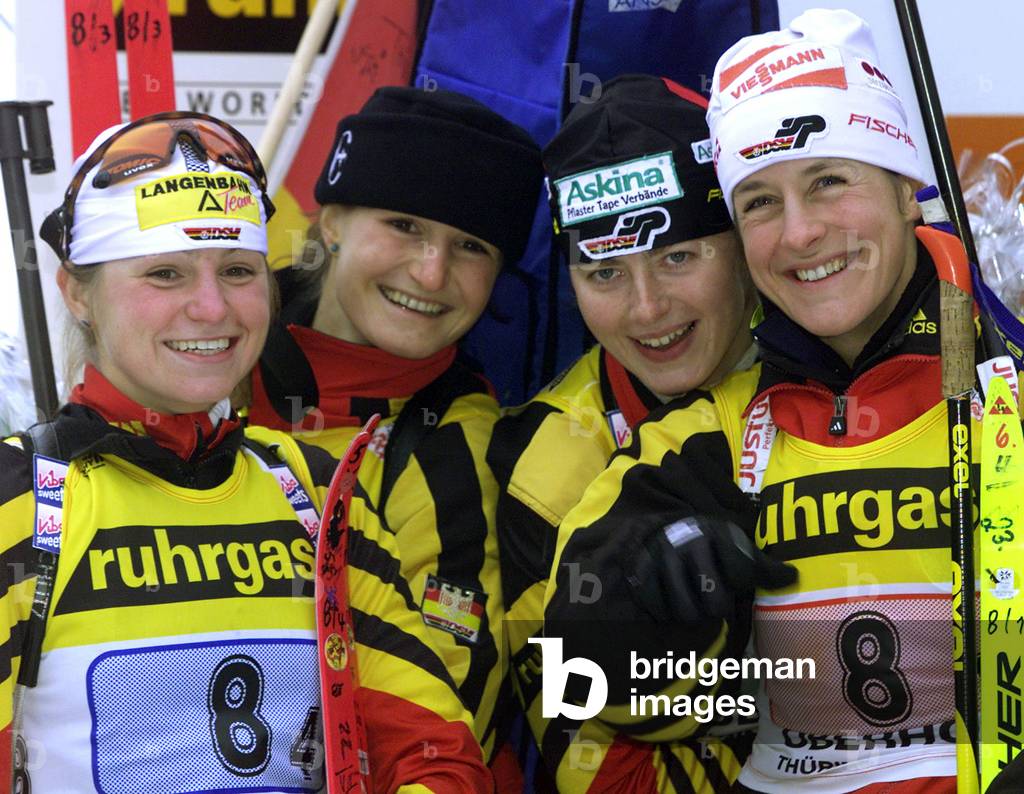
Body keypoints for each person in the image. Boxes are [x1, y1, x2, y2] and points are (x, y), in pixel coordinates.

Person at [544, 9, 1002, 792]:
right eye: (758, 201)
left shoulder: (1009, 403)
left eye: (829, 179)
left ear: (905, 189)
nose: (799, 234)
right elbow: (576, 689)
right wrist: (639, 608)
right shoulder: (705, 434)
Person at [2, 111, 491, 792]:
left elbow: (434, 754)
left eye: (236, 270)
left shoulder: (316, 492)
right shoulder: (20, 501)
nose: (212, 308)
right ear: (78, 291)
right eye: (166, 274)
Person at [247, 87, 544, 783]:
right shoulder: (212, 352)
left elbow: (445, 710)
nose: (432, 272)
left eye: (470, 246)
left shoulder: (458, 448)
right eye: (405, 225)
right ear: (332, 221)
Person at [487, 74, 759, 792]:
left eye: (677, 257)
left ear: (739, 241)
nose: (646, 310)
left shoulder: (843, 362)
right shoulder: (540, 466)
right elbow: (597, 765)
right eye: (604, 272)